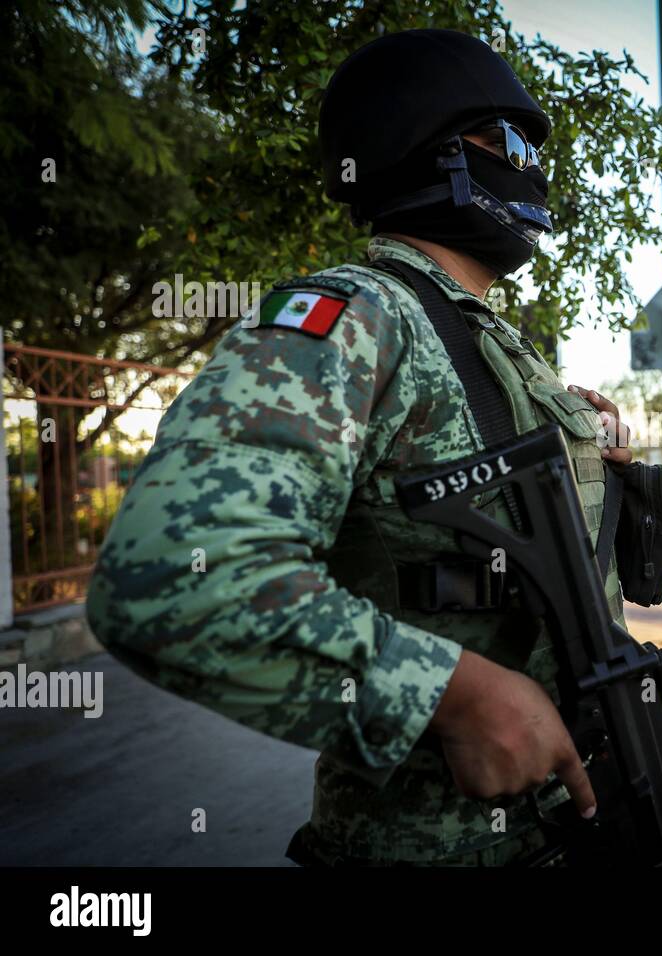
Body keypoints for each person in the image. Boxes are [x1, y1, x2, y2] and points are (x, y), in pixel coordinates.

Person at [86, 28, 633, 866]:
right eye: (514, 143)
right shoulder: (357, 314)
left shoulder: (486, 340)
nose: (535, 170)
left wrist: (599, 457)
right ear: (427, 147)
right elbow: (176, 577)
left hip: (569, 819)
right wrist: (451, 698)